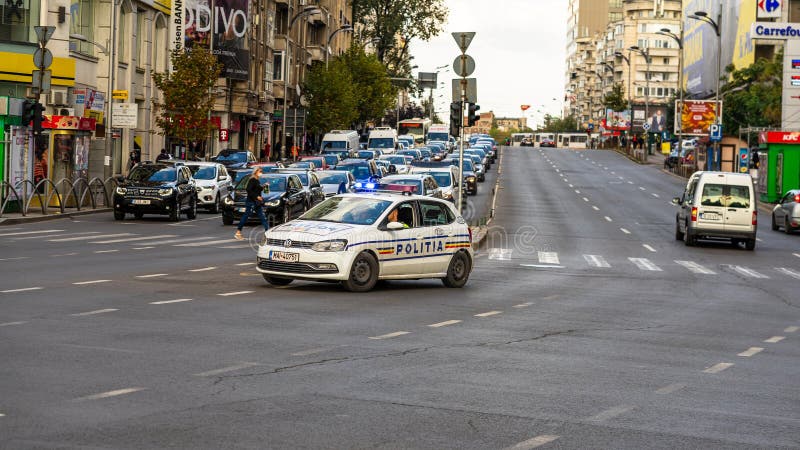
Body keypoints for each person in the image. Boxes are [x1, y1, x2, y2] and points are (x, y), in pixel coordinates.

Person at [234, 167, 269, 240]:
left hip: (256, 202)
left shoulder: (257, 180)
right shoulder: (252, 180)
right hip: (251, 202)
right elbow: (248, 190)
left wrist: (263, 186)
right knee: (246, 216)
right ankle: (238, 232)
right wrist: (257, 197)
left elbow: (257, 189)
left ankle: (267, 234)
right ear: (256, 172)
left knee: (262, 217)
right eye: (260, 171)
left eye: (261, 171)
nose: (261, 173)